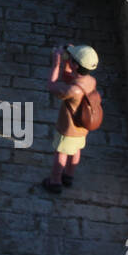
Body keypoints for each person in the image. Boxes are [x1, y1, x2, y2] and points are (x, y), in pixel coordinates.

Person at [42, 44, 101, 194]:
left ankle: (55, 181)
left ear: (76, 65)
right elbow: (68, 78)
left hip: (68, 129)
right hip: (82, 128)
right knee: (76, 150)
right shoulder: (90, 81)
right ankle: (69, 175)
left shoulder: (73, 91)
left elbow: (51, 86)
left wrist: (56, 64)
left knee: (61, 153)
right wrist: (68, 63)